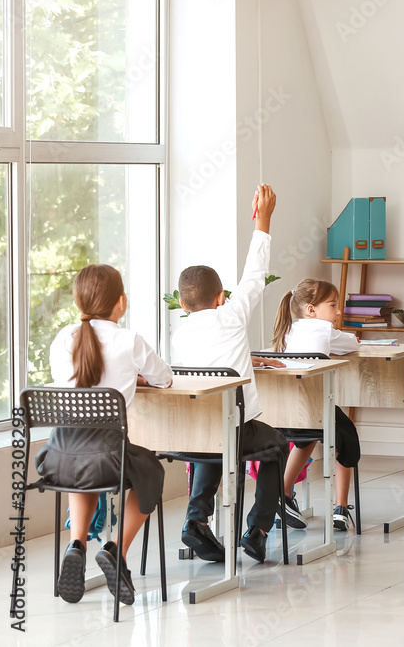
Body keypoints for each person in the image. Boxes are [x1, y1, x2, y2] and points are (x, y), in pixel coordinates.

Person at [37, 264, 173, 605]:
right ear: (121, 302)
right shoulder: (129, 340)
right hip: (109, 458)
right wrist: (135, 378)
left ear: (78, 302)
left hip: (59, 457)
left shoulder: (62, 339)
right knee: (151, 470)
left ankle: (77, 544)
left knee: (88, 466)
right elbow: (165, 379)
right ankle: (116, 551)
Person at [171, 183, 289, 563]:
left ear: (184, 304)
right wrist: (264, 219)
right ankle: (256, 530)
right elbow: (255, 274)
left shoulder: (179, 333)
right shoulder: (232, 316)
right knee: (275, 446)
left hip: (191, 430)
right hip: (233, 427)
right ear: (221, 298)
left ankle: (196, 521)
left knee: (213, 445)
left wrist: (247, 361)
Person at [270, 277, 361, 531]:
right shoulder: (325, 330)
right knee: (347, 436)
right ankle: (340, 508)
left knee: (306, 438)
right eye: (333, 305)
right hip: (317, 406)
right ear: (311, 310)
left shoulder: (287, 331)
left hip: (288, 410)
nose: (339, 311)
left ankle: (284, 493)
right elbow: (352, 344)